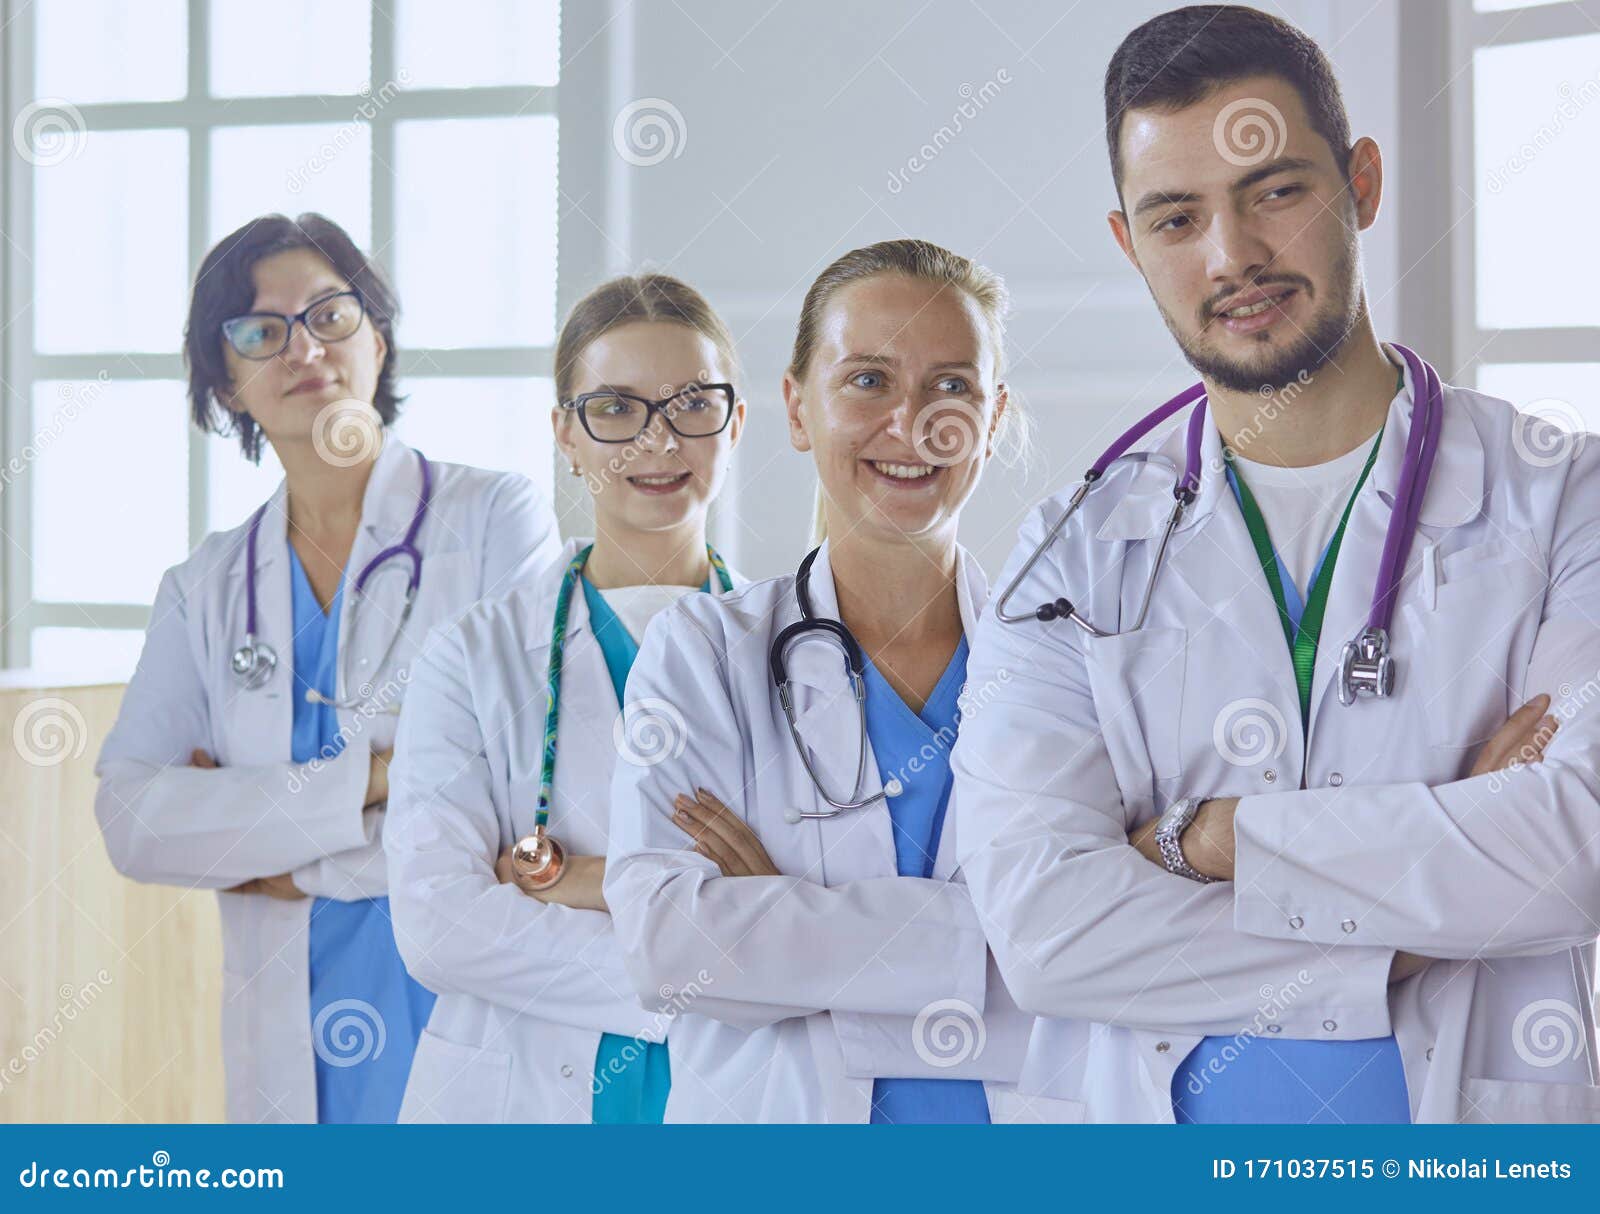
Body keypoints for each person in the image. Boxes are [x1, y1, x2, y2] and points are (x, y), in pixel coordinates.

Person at [953, 4, 1600, 1124]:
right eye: (1175, 217)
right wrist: (1406, 917)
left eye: (1276, 190)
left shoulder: (1561, 495)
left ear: (1361, 182)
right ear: (1126, 243)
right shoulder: (1070, 548)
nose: (1231, 256)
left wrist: (1202, 840)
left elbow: (1575, 848)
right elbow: (1044, 933)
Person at [94, 213, 560, 1123]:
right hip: (289, 1057)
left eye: (330, 315)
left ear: (377, 342)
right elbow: (135, 822)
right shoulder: (205, 588)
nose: (303, 346)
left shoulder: (496, 519)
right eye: (260, 332)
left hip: (470, 1029)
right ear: (226, 384)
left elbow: (520, 801)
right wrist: (383, 778)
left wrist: (271, 852)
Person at [605, 239, 1081, 1123]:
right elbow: (669, 950)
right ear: (795, 406)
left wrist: (784, 918)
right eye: (867, 380)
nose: (911, 424)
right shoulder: (702, 654)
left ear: (994, 414)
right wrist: (998, 940)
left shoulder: (1075, 658)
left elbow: (1113, 943)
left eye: (953, 386)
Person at [385, 273, 747, 1123]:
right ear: (566, 435)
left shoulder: (799, 657)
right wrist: (714, 957)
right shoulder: (470, 655)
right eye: (616, 408)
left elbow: (818, 899)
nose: (656, 440)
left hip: (729, 1095)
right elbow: (438, 923)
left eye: (692, 403)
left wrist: (585, 881)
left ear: (735, 423)